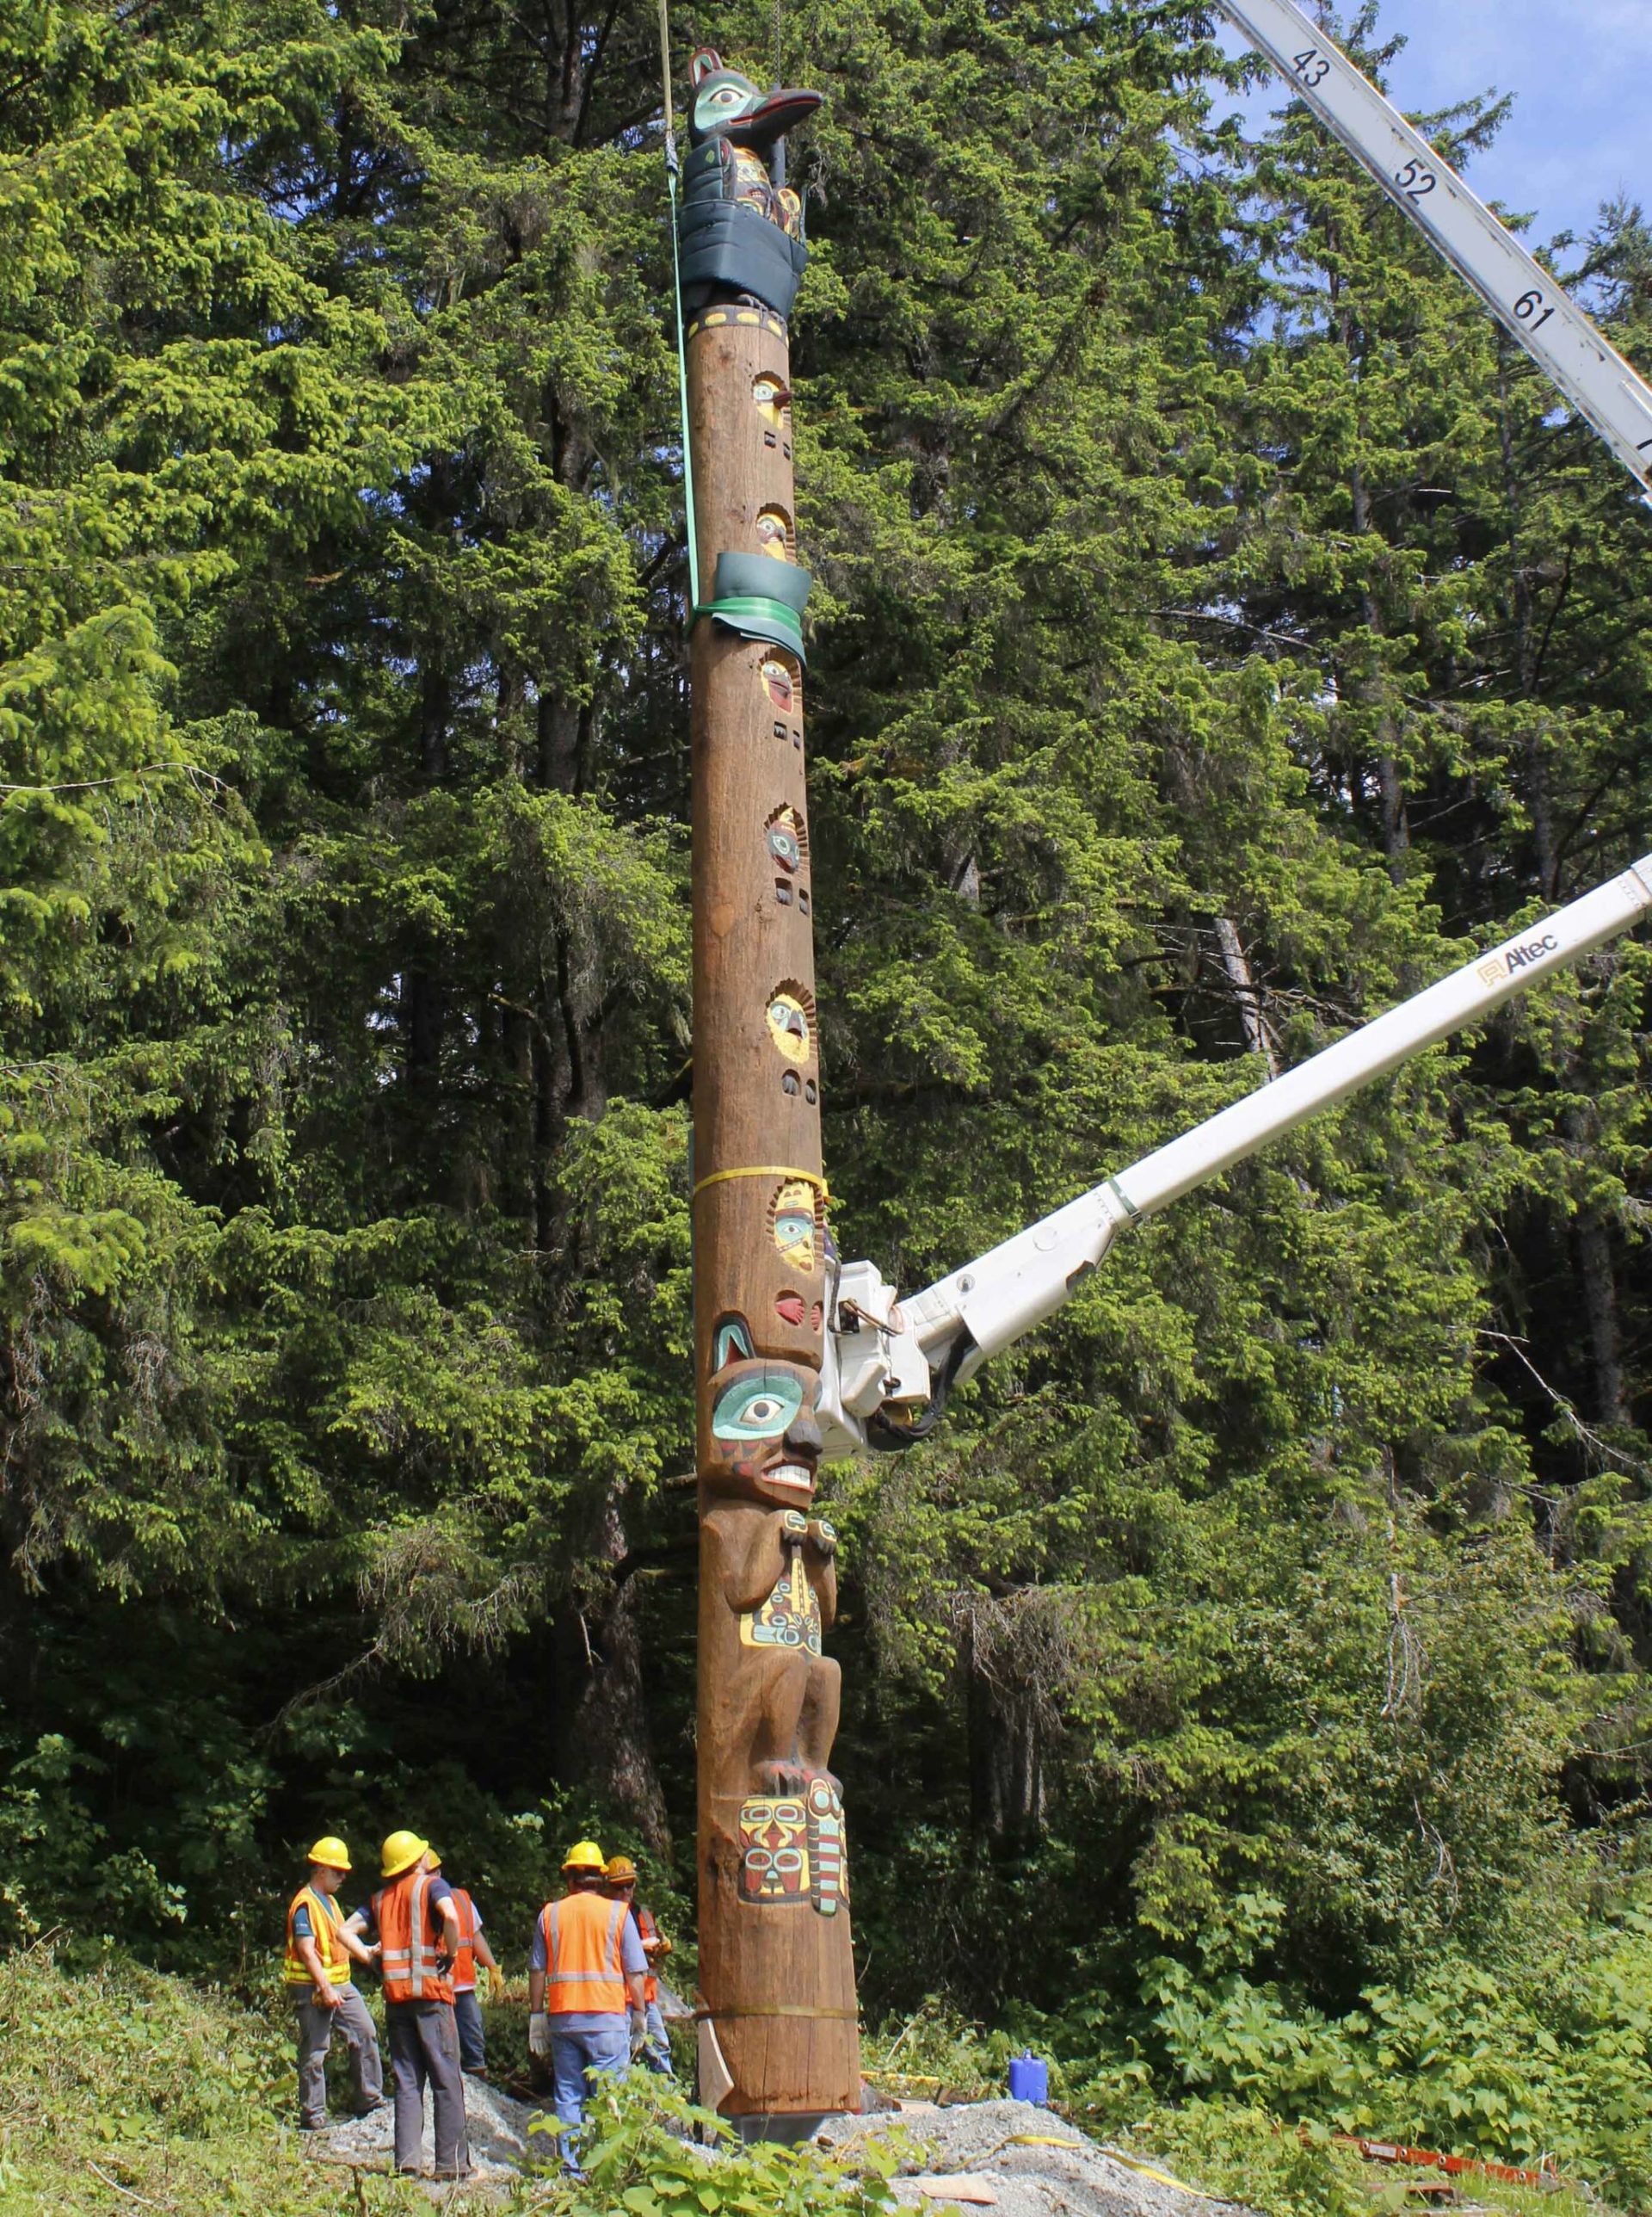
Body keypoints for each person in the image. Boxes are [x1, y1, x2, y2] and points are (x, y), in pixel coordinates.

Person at [527, 1839, 647, 2169]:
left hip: (564, 2020)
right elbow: (635, 1972)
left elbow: (538, 1969)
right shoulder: (619, 1914)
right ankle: (609, 2169)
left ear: (569, 1879)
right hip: (607, 2019)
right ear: (602, 1878)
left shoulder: (550, 1914)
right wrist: (640, 2014)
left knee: (569, 2095)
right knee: (610, 2097)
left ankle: (572, 2168)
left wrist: (536, 2015)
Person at [363, 1831, 470, 2182]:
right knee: (446, 2080)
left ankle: (407, 2164)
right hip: (432, 1997)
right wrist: (452, 1953)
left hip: (397, 2002)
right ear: (416, 1861)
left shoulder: (380, 1899)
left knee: (407, 2083)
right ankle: (451, 2166)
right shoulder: (430, 1887)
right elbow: (451, 1917)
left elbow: (343, 1930)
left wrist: (367, 1954)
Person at [284, 1837, 385, 2132]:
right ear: (321, 1871)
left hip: (342, 1984)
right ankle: (314, 2116)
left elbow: (339, 1939)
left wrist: (367, 1953)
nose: (343, 1877)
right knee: (316, 2048)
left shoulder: (329, 1902)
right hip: (313, 1988)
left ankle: (370, 2100)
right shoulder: (305, 1904)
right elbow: (306, 1950)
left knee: (365, 2032)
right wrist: (324, 1987)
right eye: (338, 1872)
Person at [603, 1855, 674, 2077]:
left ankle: (668, 2096)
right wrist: (641, 1948)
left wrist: (661, 1946)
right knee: (621, 2052)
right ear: (609, 1887)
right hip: (619, 2000)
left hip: (647, 1997)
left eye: (629, 1885)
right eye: (619, 1886)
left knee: (660, 2046)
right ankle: (621, 2100)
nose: (626, 1891)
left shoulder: (644, 1914)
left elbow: (654, 1950)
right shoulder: (605, 1917)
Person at [435, 1862, 499, 2078]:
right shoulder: (419, 1901)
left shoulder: (461, 1900)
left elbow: (474, 1935)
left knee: (474, 2040)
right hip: (435, 1987)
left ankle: (478, 2087)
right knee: (442, 2043)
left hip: (462, 1985)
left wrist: (492, 1966)